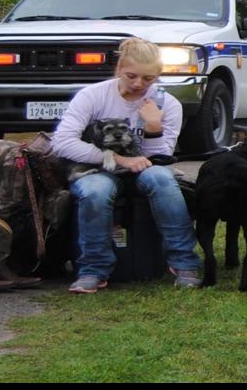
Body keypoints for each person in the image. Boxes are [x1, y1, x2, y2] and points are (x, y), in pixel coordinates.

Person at [50, 37, 202, 293]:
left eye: (148, 79)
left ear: (158, 76)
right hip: (98, 168)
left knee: (163, 180)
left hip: (145, 168)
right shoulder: (92, 96)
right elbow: (62, 143)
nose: (138, 84)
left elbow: (162, 157)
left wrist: (154, 127)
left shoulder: (167, 103)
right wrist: (119, 159)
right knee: (95, 191)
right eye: (131, 76)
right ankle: (93, 270)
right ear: (118, 67)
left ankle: (184, 263)